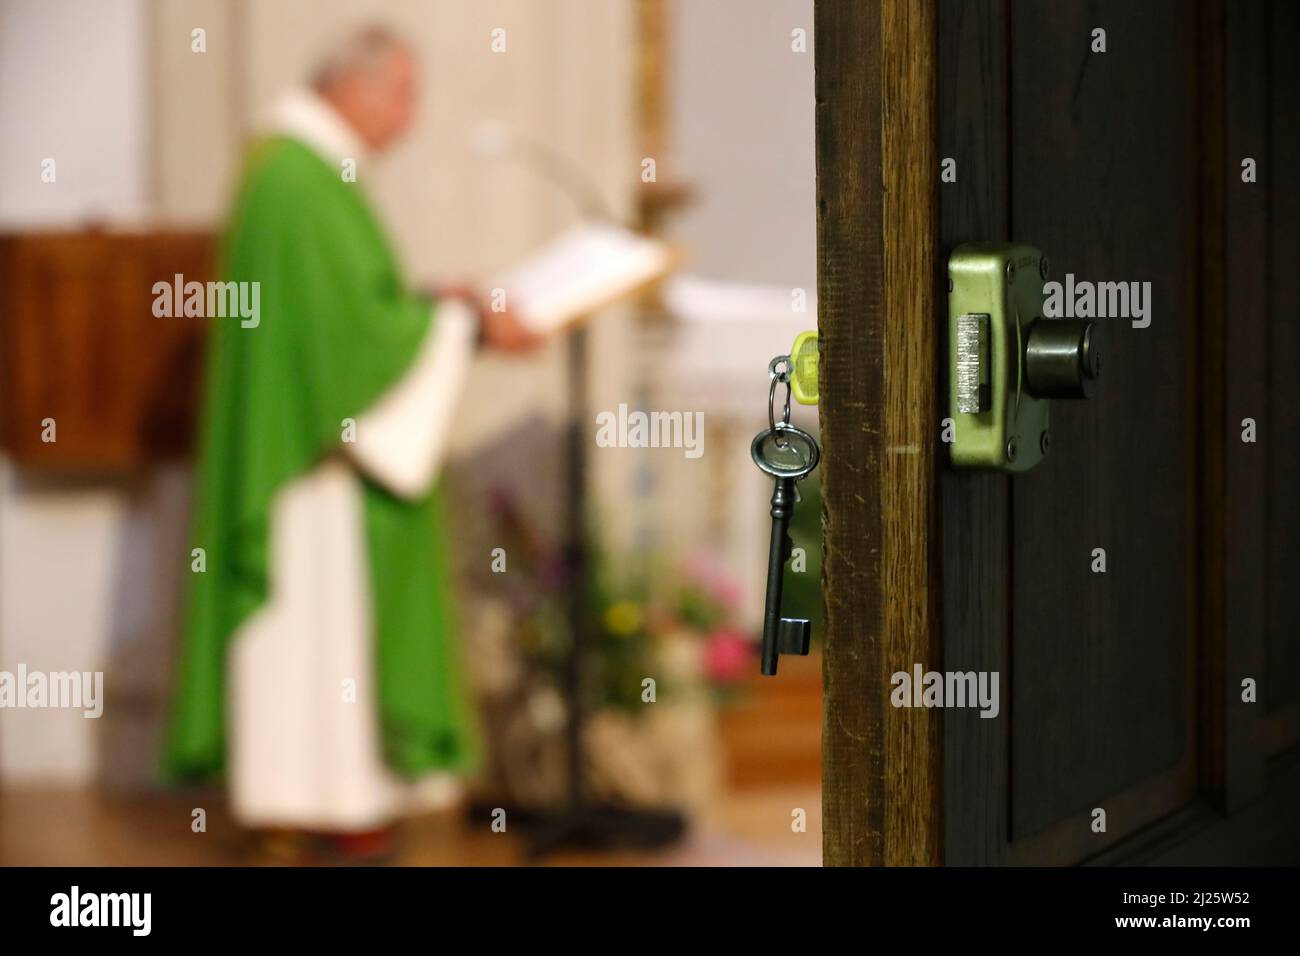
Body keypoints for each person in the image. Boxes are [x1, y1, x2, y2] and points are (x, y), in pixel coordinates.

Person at [162, 25, 538, 861]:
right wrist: (461, 318)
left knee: (314, 635)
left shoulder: (296, 170)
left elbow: (345, 314)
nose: (409, 118)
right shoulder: (299, 178)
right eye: (403, 93)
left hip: (308, 453)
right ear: (354, 87)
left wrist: (432, 306)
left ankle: (317, 805)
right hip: (310, 469)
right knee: (313, 629)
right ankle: (319, 804)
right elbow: (350, 341)